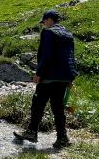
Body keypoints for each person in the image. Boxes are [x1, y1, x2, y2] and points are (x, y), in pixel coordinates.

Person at [14, 9, 76, 149]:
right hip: (64, 77)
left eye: (44, 22)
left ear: (49, 20)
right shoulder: (68, 34)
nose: (43, 25)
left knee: (38, 103)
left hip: (49, 76)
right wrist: (71, 78)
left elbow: (46, 55)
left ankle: (31, 132)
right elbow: (71, 57)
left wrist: (39, 73)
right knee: (58, 108)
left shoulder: (48, 33)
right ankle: (62, 138)